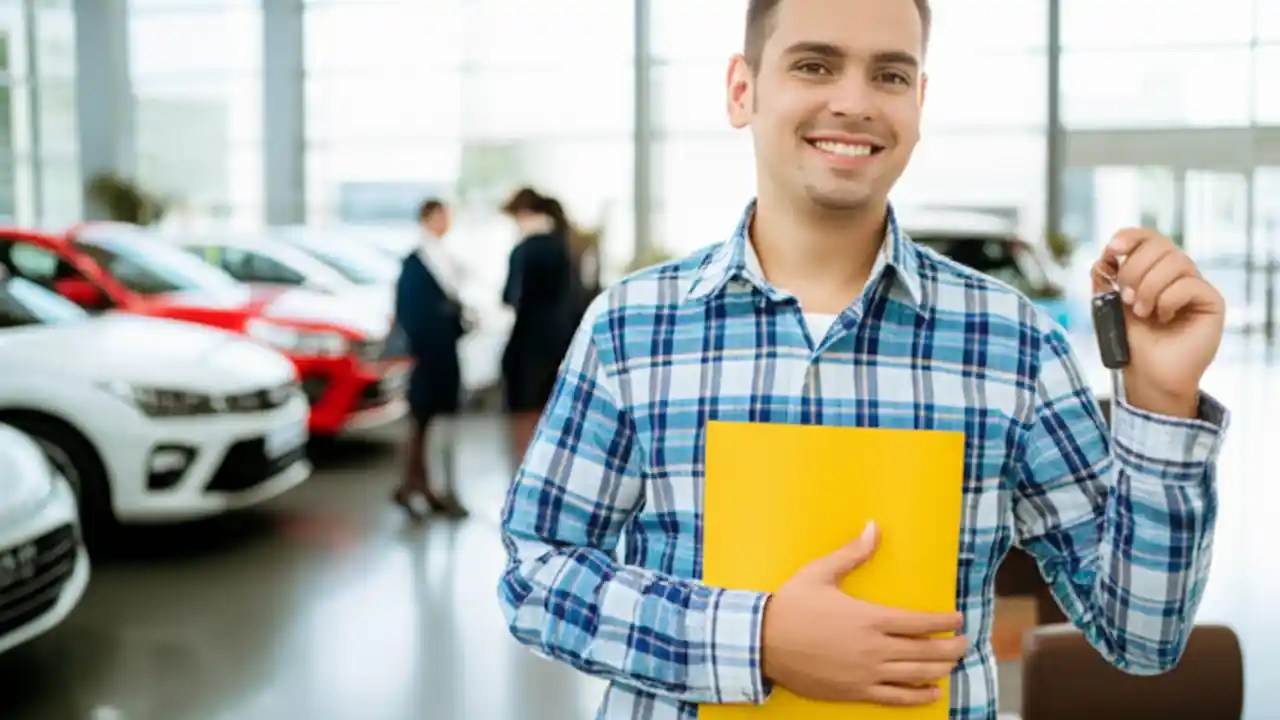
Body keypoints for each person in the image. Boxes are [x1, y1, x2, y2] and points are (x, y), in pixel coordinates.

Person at [497, 1, 1230, 718]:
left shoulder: (1014, 343)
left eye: (890, 75)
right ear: (742, 90)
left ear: (919, 102)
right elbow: (536, 574)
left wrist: (1162, 402)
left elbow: (1141, 638)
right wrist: (756, 640)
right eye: (814, 65)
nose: (854, 103)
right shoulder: (634, 328)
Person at [392, 198, 468, 520]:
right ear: (427, 218)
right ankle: (416, 486)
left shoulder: (440, 255)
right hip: (428, 355)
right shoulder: (418, 261)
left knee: (430, 422)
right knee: (422, 420)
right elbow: (410, 311)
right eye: (441, 216)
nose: (446, 222)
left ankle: (417, 486)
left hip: (441, 351)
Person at [499, 188, 577, 465]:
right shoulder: (565, 245)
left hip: (528, 345)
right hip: (562, 343)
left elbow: (511, 296)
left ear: (524, 214)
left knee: (524, 418)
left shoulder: (525, 250)